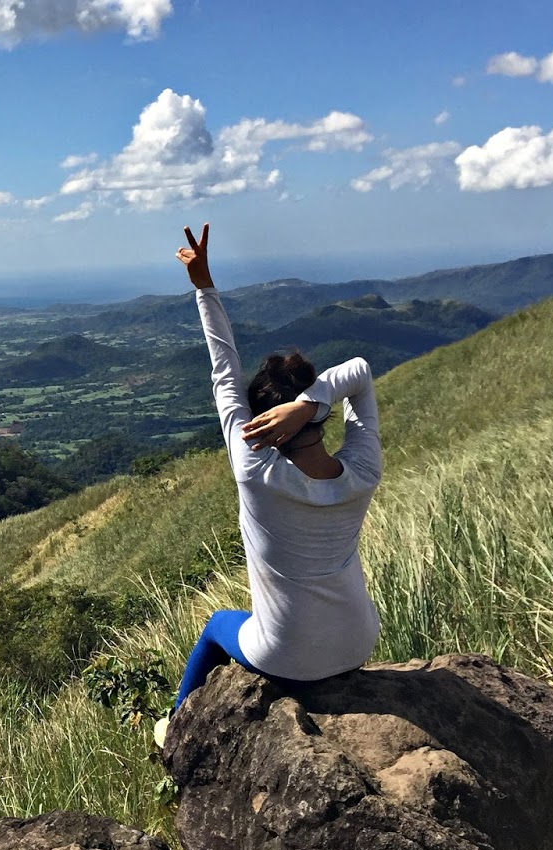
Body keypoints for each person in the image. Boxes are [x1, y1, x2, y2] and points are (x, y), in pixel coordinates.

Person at [156, 223, 383, 748]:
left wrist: (203, 284)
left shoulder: (256, 471)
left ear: (262, 424)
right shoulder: (363, 471)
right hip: (358, 642)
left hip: (286, 656)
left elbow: (223, 368)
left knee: (216, 623)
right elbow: (362, 372)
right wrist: (312, 400)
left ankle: (173, 728)